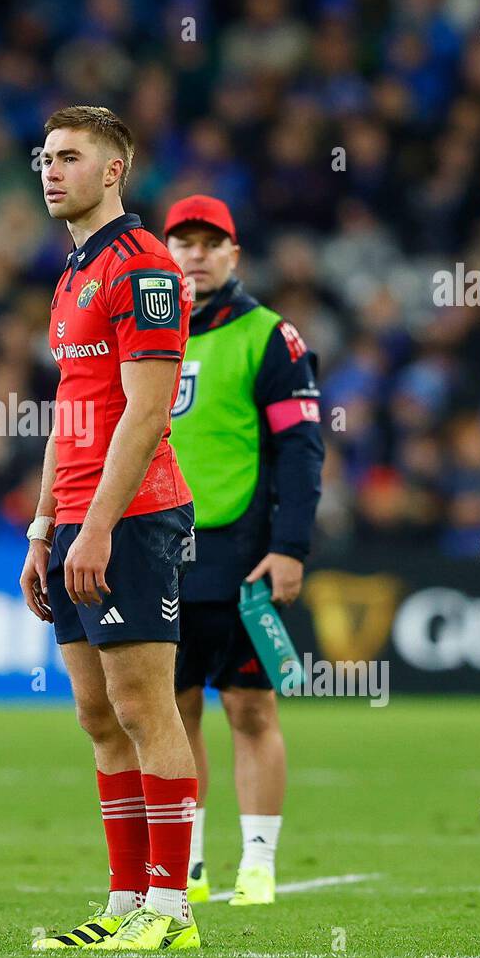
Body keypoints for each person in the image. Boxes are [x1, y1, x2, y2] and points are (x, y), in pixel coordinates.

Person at [20, 105, 199, 953]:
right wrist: (45, 525)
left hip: (132, 515)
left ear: (114, 170)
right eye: (44, 158)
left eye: (70, 157)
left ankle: (175, 910)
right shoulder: (72, 272)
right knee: (97, 715)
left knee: (142, 706)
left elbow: (147, 410)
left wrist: (94, 527)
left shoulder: (145, 268)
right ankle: (128, 900)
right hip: (79, 519)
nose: (51, 171)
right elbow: (72, 410)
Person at [163, 195, 324, 905]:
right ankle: (189, 863)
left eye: (210, 243)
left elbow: (301, 448)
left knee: (250, 708)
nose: (195, 255)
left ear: (234, 256)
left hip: (241, 554)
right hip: (157, 548)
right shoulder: (141, 337)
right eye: (182, 242)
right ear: (163, 254)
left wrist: (290, 546)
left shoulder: (270, 337)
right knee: (169, 710)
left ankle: (257, 863)